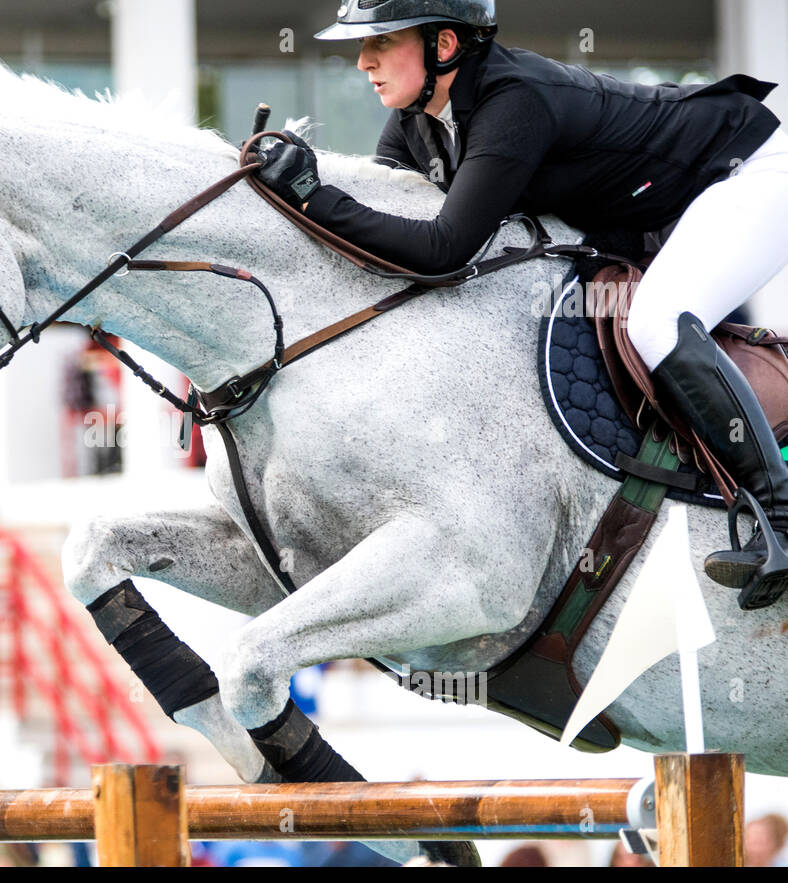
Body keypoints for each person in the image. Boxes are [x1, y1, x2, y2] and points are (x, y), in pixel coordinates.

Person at [258, 0, 788, 609]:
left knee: (655, 323)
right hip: (656, 208)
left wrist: (309, 195)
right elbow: (381, 223)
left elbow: (440, 249)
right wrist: (294, 187)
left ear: (445, 46)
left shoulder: (515, 101)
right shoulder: (416, 118)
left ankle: (782, 513)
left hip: (747, 171)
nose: (363, 62)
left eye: (382, 43)